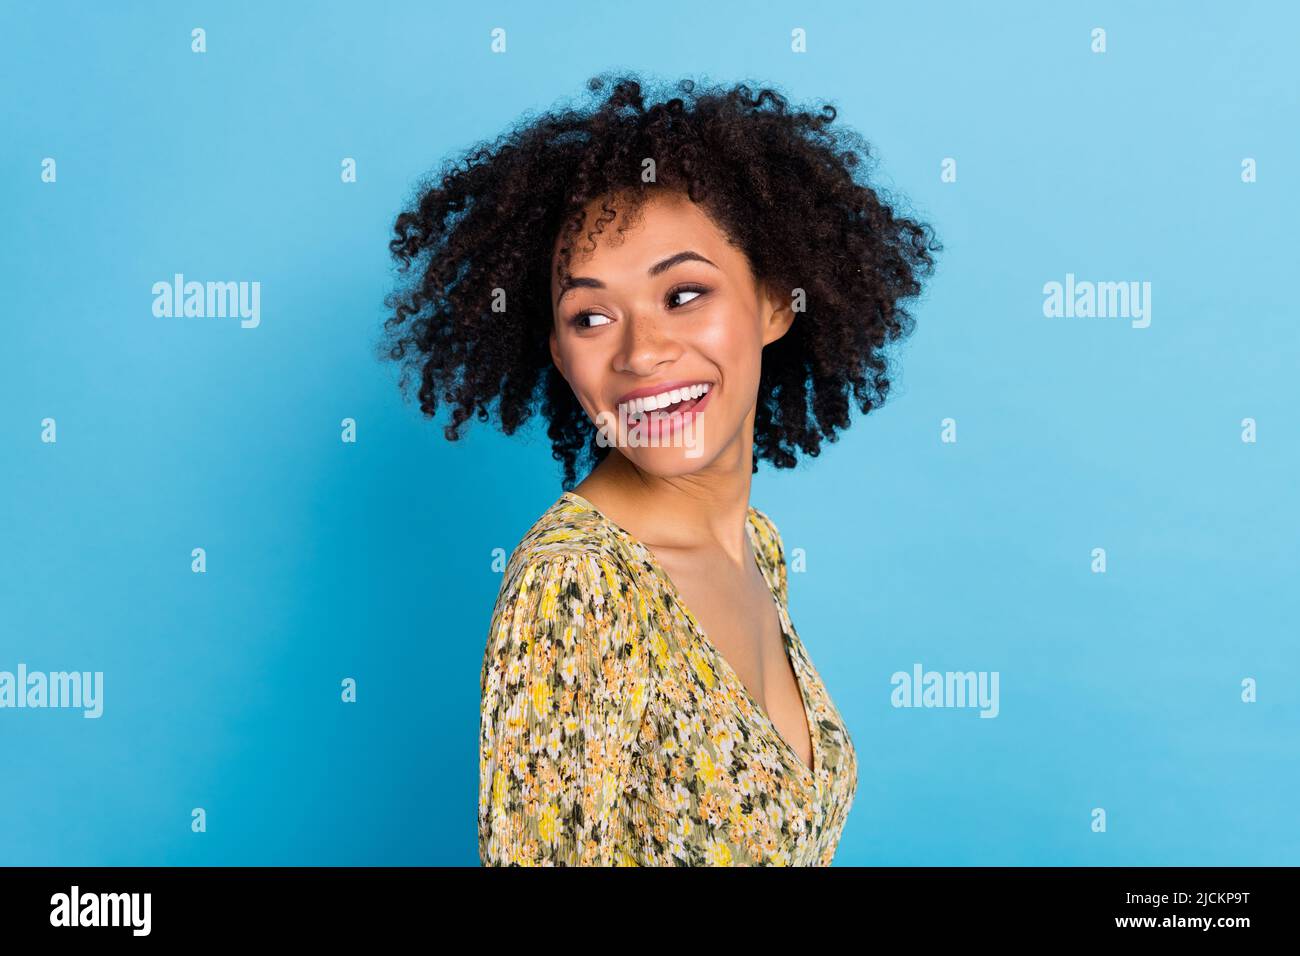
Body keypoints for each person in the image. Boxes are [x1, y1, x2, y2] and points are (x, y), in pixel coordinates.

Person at [381, 73, 939, 865]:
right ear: (558, 354)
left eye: (683, 294)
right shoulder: (578, 583)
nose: (640, 353)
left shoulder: (756, 547)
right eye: (592, 317)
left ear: (776, 301)